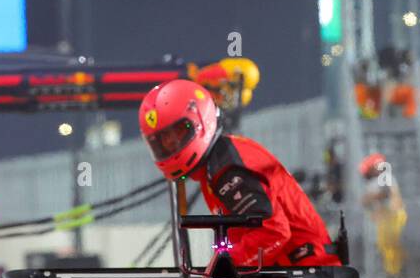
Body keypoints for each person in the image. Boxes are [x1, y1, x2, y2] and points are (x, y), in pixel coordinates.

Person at [138, 79, 340, 267]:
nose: (170, 144)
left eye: (178, 132)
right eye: (162, 139)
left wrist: (223, 268)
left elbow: (273, 232)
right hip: (292, 276)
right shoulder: (216, 167)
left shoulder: (226, 168)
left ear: (200, 121)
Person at [358, 153, 407, 277]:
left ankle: (396, 270)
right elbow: (365, 201)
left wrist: (373, 198)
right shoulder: (372, 183)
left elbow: (388, 194)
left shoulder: (386, 178)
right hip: (384, 217)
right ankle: (391, 270)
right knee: (384, 244)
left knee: (392, 243)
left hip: (393, 215)